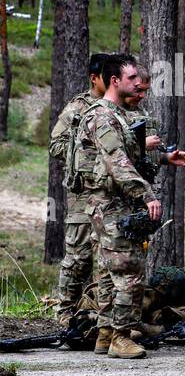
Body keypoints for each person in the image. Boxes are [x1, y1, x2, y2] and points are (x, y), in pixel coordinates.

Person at [74, 56, 165, 359]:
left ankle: (105, 332)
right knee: (129, 269)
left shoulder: (117, 115)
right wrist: (147, 195)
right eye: (131, 78)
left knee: (108, 272)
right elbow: (117, 163)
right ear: (115, 81)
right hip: (109, 204)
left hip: (110, 202)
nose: (137, 83)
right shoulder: (103, 116)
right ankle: (121, 337)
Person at [49, 53, 112, 328]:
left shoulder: (119, 107)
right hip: (82, 194)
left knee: (107, 259)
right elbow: (56, 145)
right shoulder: (77, 107)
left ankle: (102, 316)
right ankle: (65, 312)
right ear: (93, 78)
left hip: (110, 194)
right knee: (78, 256)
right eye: (106, 76)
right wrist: (86, 151)